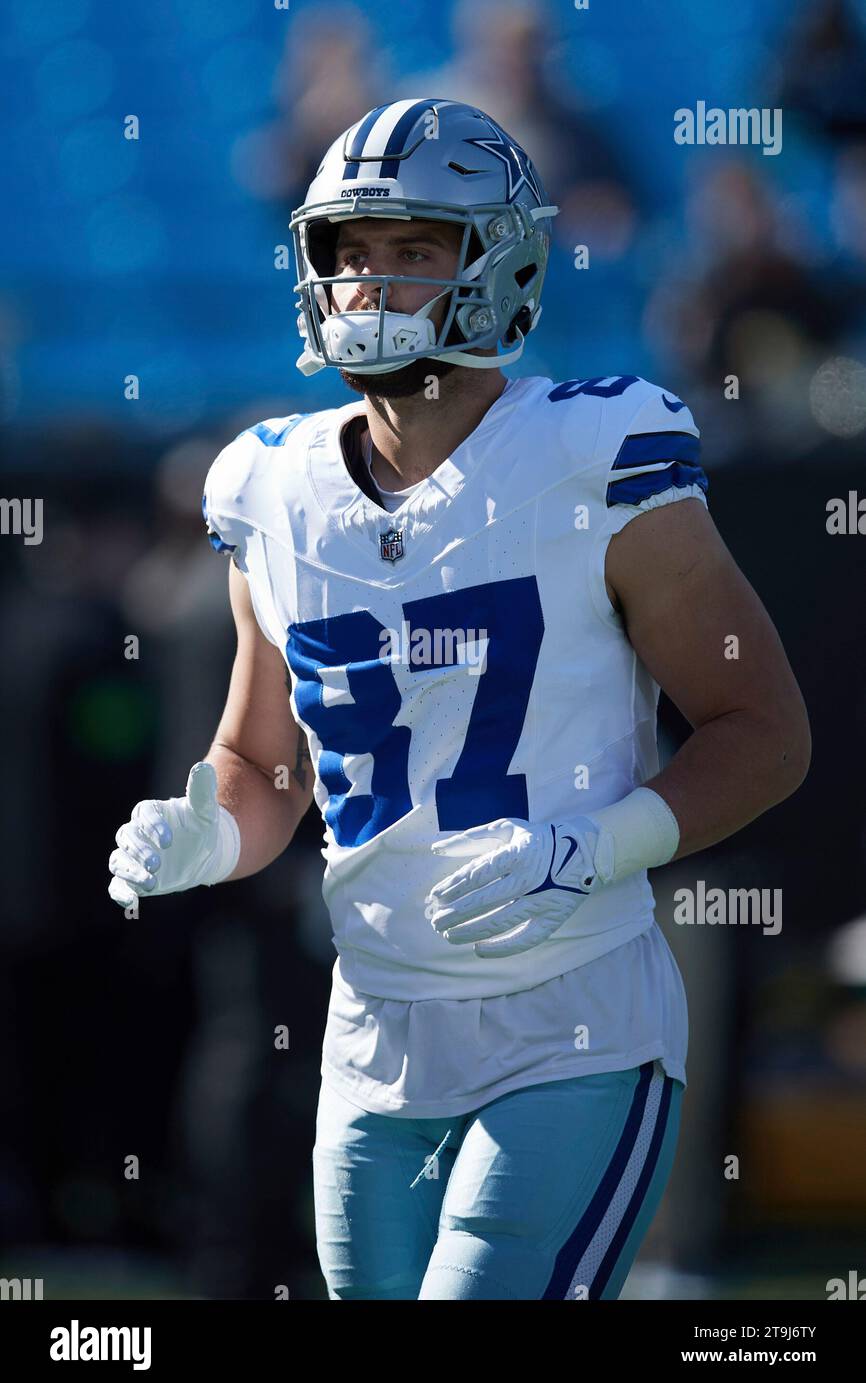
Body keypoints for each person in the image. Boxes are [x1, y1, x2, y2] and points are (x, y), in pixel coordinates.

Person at [107, 98, 811, 1300]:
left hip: (569, 1022)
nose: (368, 284)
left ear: (502, 263)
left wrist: (593, 845)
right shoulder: (270, 488)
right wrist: (205, 830)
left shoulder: (598, 454)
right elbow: (263, 765)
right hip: (373, 1031)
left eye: (413, 250)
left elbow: (763, 734)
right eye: (347, 251)